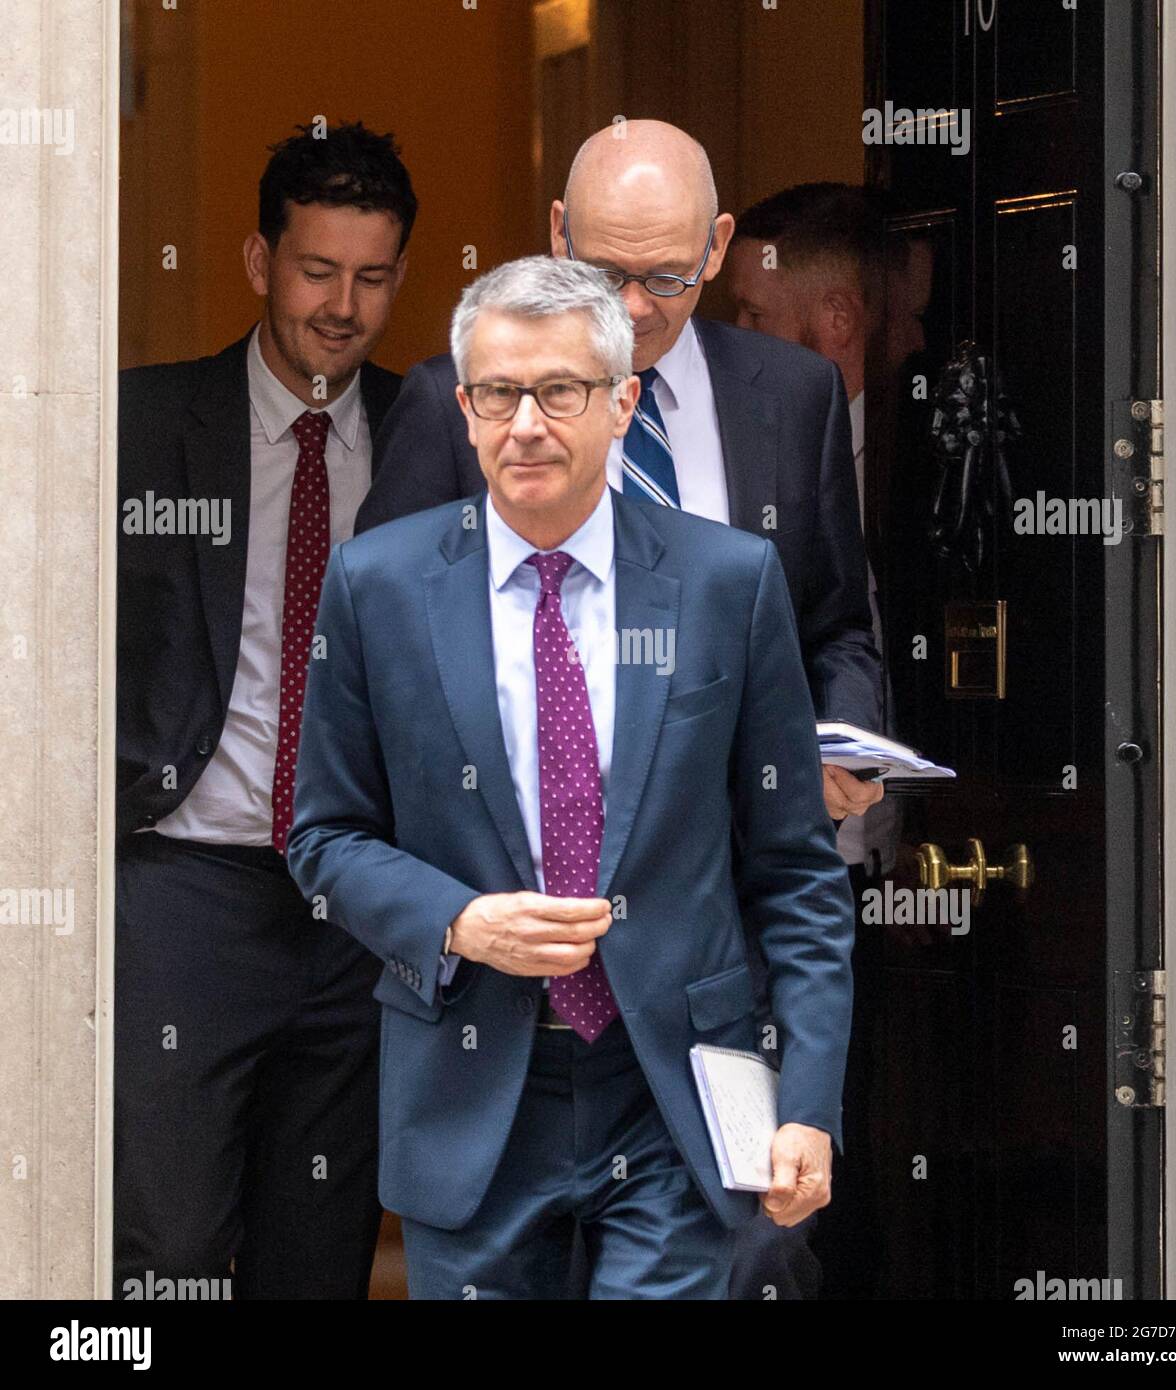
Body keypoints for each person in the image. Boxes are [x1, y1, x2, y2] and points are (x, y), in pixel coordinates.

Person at [358, 126, 884, 1296]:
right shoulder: (444, 453)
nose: (635, 306)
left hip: (691, 1030)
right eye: (604, 275)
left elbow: (833, 628)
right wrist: (452, 916)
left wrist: (824, 744)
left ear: (720, 250)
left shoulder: (753, 490)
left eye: (667, 278)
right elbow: (348, 780)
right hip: (482, 1050)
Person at [114, 121, 416, 1298]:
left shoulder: (428, 437)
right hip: (188, 893)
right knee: (173, 1247)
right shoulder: (143, 428)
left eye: (374, 275)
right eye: (316, 268)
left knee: (319, 1259)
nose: (342, 305)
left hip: (355, 908)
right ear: (256, 261)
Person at [729, 182, 933, 1295]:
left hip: (917, 891)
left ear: (836, 320)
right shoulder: (733, 453)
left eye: (752, 316)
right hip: (786, 888)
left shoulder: (933, 439)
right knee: (784, 1193)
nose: (731, 342)